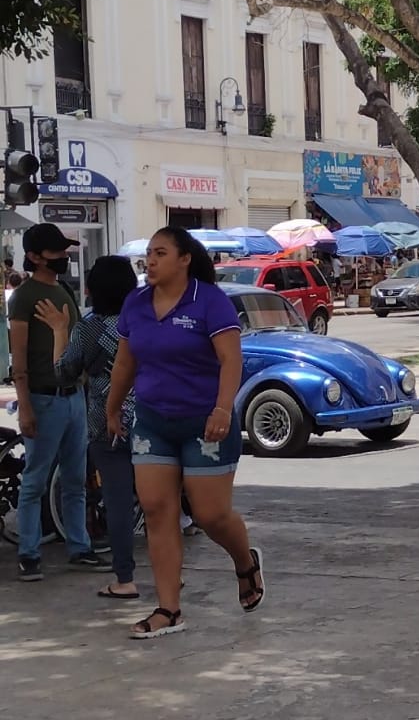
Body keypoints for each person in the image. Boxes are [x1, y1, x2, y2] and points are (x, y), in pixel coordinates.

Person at [107, 226, 264, 638]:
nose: (150, 262)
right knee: (158, 511)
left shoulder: (209, 302)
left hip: (205, 422)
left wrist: (222, 408)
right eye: (148, 255)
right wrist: (111, 407)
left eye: (160, 253)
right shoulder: (136, 304)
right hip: (153, 421)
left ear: (184, 259)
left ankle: (245, 562)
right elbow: (125, 364)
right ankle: (168, 610)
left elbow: (231, 361)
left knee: (210, 515)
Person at [9, 223, 111, 580]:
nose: (63, 256)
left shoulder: (63, 290)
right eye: (55, 252)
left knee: (75, 479)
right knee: (35, 480)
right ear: (35, 256)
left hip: (72, 398)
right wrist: (25, 405)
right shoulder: (24, 297)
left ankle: (79, 547)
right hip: (43, 398)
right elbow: (18, 358)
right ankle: (29, 553)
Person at [37, 255, 141, 598]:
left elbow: (64, 372)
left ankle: (124, 580)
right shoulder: (145, 320)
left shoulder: (90, 327)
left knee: (118, 501)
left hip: (106, 425)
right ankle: (171, 574)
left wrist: (58, 331)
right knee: (161, 503)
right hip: (151, 421)